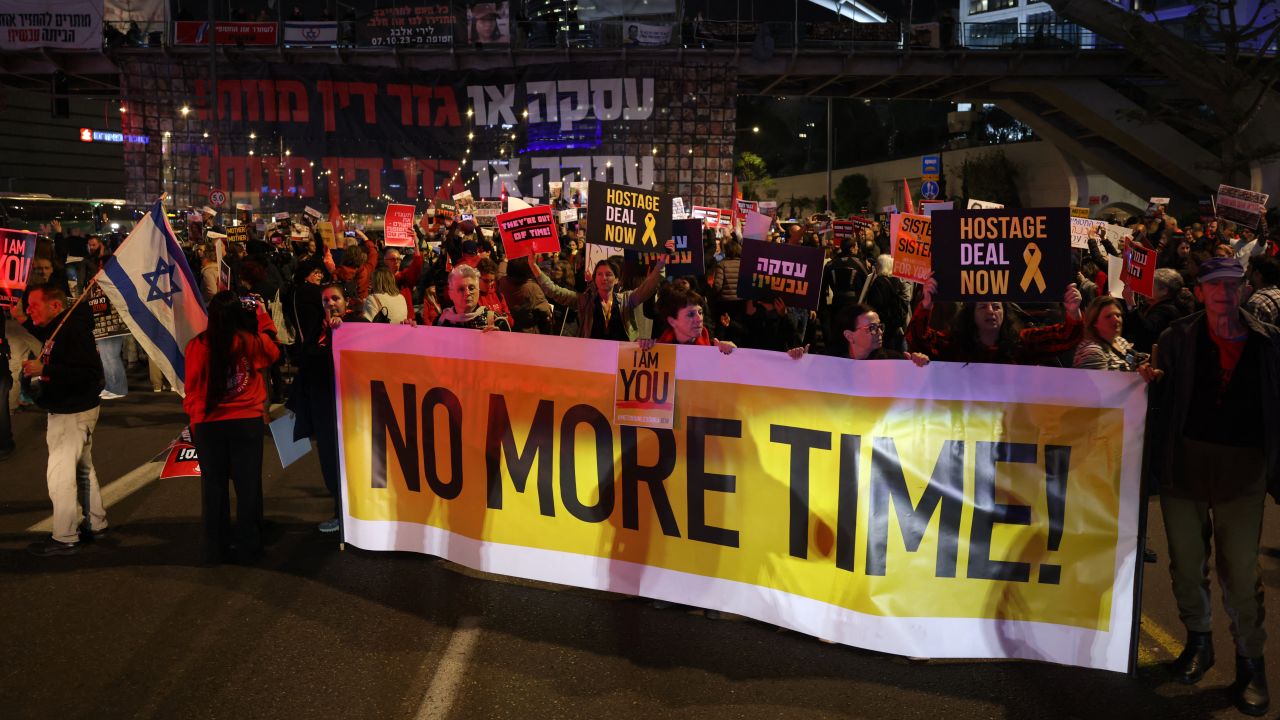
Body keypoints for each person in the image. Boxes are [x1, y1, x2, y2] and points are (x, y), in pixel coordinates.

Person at [1139, 256, 1280, 716]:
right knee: (1185, 565)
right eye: (1214, 286)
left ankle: (1250, 661)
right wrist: (1149, 382)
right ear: (1200, 291)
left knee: (1240, 572)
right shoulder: (1175, 339)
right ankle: (1198, 642)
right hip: (1186, 465)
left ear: (1241, 290)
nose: (1224, 293)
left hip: (1244, 470)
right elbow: (1161, 398)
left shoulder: (1269, 342)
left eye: (1232, 285)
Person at [182, 291, 281, 565]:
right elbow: (274, 351)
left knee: (213, 486)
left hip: (208, 424)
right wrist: (261, 315)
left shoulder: (196, 345)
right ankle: (250, 544)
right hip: (245, 421)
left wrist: (193, 418)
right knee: (248, 485)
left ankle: (215, 547)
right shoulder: (248, 341)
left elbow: (190, 388)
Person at [14, 283, 107, 555]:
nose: (29, 310)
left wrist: (46, 368)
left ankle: (65, 535)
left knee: (60, 476)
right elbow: (48, 334)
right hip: (75, 408)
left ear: (55, 306)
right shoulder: (64, 325)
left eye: (34, 305)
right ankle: (96, 523)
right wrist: (23, 319)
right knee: (82, 470)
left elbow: (88, 372)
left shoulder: (74, 329)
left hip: (71, 411)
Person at [288, 283, 366, 533]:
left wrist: (338, 335)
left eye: (335, 299)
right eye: (326, 301)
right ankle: (340, 512)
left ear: (346, 301)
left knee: (356, 461)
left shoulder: (359, 324)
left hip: (353, 407)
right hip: (323, 407)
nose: (331, 304)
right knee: (330, 462)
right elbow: (306, 356)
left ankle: (360, 514)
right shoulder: (316, 328)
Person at [907, 271, 1083, 365]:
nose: (991, 311)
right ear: (971, 314)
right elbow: (917, 338)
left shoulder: (1022, 343)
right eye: (983, 307)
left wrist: (1073, 312)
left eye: (997, 307)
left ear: (1005, 313)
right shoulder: (955, 344)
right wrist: (926, 305)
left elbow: (1065, 338)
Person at [532, 243, 670, 340]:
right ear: (594, 278)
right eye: (599, 274)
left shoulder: (627, 299)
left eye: (608, 274)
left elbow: (649, 286)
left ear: (617, 279)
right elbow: (554, 291)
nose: (604, 278)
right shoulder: (584, 301)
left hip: (621, 358)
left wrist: (661, 262)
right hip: (593, 360)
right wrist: (533, 266)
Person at [835, 303, 929, 365]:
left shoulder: (894, 361)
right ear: (849, 336)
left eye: (880, 326)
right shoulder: (832, 365)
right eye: (872, 328)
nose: (880, 332)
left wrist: (920, 365)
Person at [1073, 296, 1146, 371]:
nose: (1116, 319)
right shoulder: (1092, 352)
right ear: (1094, 322)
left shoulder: (1120, 341)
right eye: (1108, 316)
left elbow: (1132, 364)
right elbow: (1099, 382)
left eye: (1118, 315)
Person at [436, 265, 511, 331]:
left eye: (471, 288)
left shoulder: (496, 321)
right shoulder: (441, 321)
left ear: (478, 290)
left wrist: (499, 338)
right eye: (461, 289)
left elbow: (509, 346)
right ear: (450, 294)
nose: (467, 293)